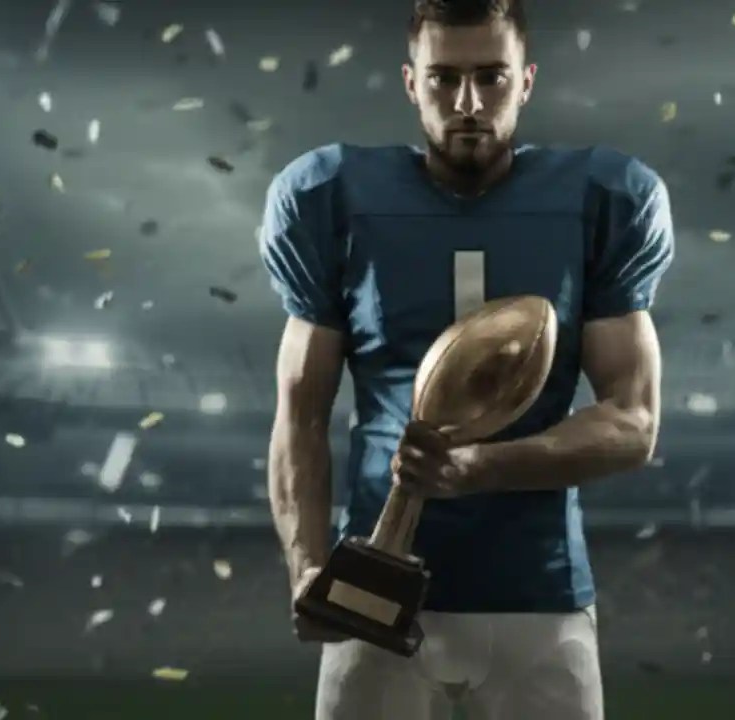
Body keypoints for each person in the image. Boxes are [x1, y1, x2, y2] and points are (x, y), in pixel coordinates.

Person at [259, 1, 674, 717]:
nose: (470, 103)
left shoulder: (604, 199)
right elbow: (299, 414)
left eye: (492, 77)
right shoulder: (328, 198)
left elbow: (633, 422)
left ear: (528, 81)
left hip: (537, 596)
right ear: (411, 83)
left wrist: (479, 469)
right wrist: (306, 568)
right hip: (372, 590)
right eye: (445, 79)